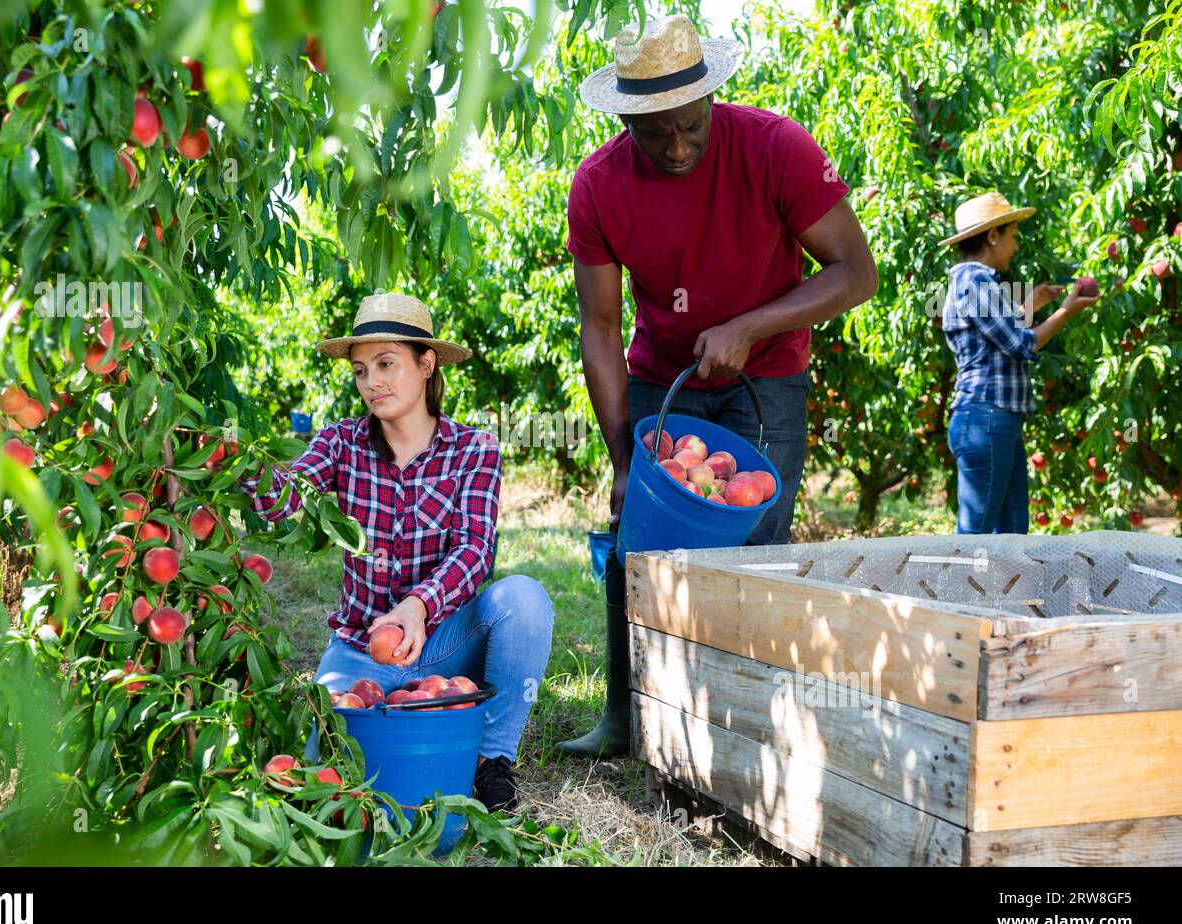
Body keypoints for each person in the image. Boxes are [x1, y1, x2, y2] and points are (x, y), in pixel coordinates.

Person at [557, 14, 878, 757]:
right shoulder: (600, 186)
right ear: (625, 119)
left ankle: (747, 728)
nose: (676, 148)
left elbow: (856, 274)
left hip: (767, 376)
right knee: (639, 545)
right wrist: (621, 458)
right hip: (661, 376)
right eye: (654, 133)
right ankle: (625, 714)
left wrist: (752, 327)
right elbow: (601, 329)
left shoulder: (775, 148)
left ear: (712, 99)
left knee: (755, 545)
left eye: (691, 127)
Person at [238, 293, 553, 811]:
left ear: (426, 364)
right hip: (363, 648)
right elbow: (280, 498)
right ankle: (419, 712)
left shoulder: (474, 450)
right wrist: (232, 458)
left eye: (387, 364)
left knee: (525, 598)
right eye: (361, 370)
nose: (372, 383)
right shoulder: (341, 443)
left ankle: (492, 760)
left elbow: (476, 549)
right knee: (326, 767)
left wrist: (419, 606)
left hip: (444, 641)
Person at [938, 191, 1099, 534]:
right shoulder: (976, 281)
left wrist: (1032, 303)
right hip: (986, 416)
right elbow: (1019, 344)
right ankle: (954, 590)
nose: (1015, 246)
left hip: (998, 419)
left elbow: (995, 334)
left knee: (1012, 535)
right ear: (993, 236)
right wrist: (1067, 311)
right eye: (1012, 236)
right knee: (974, 536)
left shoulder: (976, 283)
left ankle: (1007, 590)